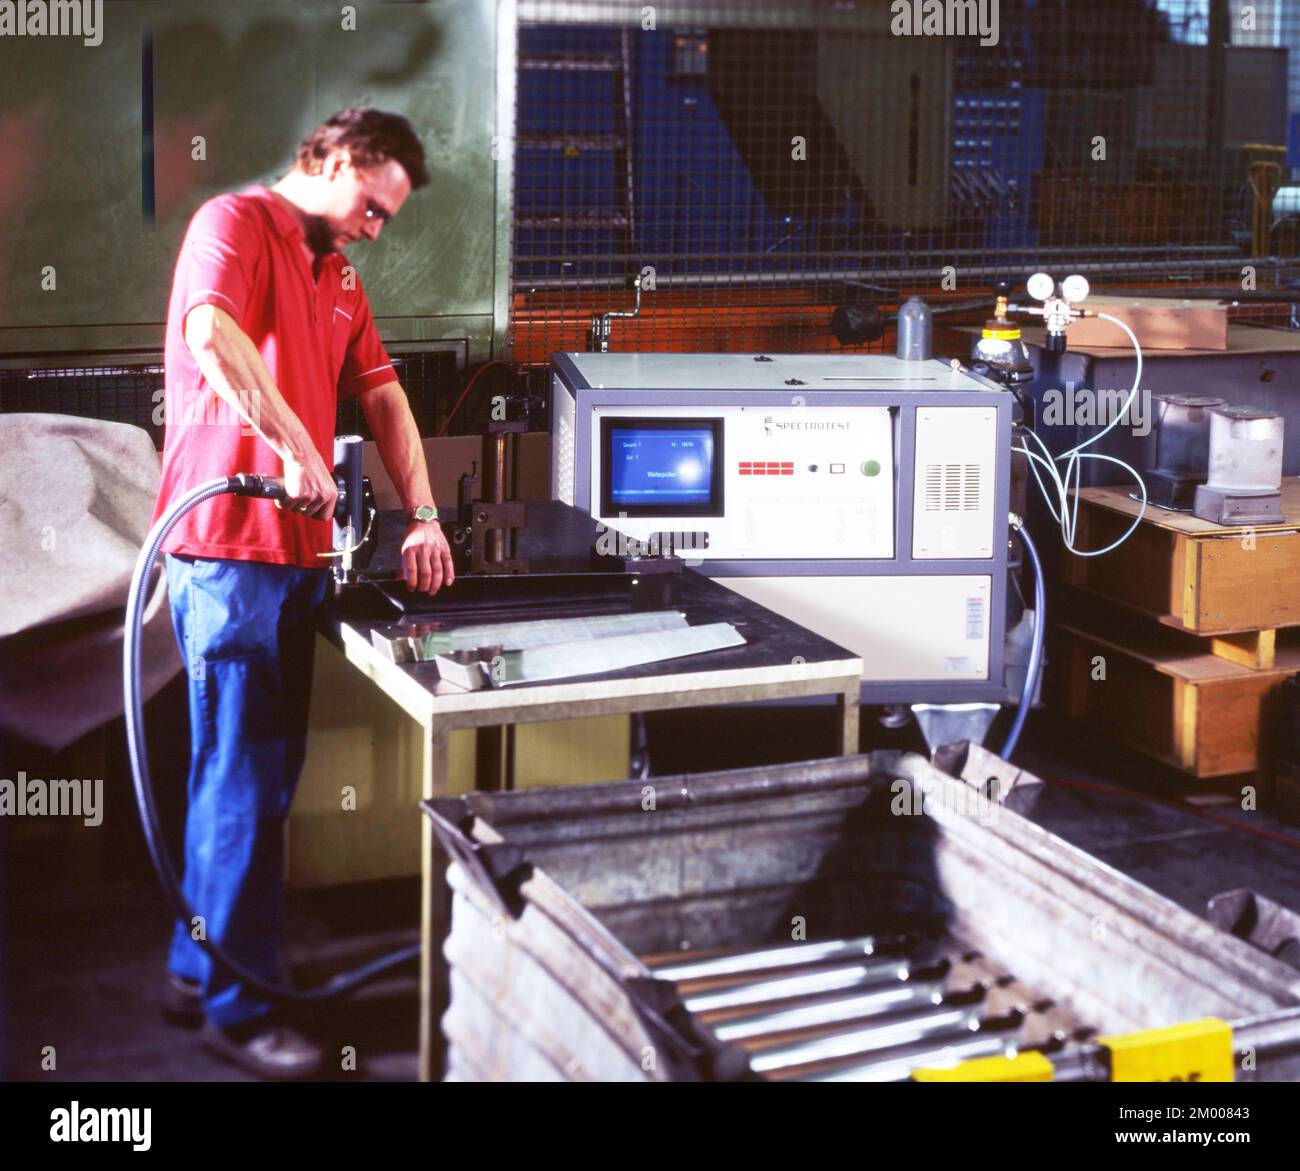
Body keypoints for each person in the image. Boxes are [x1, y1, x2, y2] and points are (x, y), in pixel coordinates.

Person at [152, 108, 454, 1079]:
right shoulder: (234, 225)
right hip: (227, 550)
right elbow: (209, 333)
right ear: (323, 161)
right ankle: (240, 1013)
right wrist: (292, 441)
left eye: (388, 218)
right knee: (242, 779)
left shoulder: (340, 275)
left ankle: (199, 964)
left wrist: (426, 514)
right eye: (371, 205)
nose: (375, 227)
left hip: (294, 559)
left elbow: (384, 395)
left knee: (247, 776)